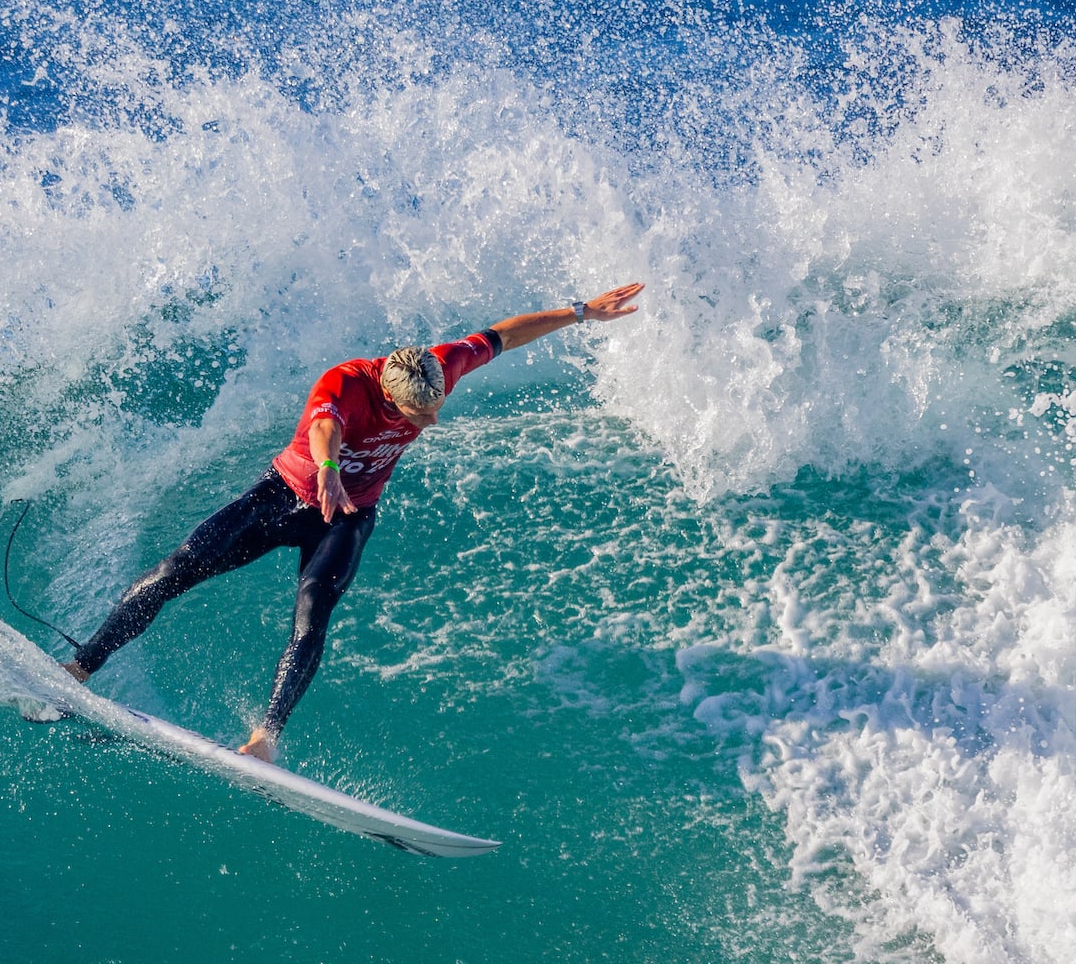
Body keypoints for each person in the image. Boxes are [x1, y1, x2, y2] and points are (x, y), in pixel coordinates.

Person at [62, 283, 644, 761]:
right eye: (422, 414)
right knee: (177, 569)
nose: (433, 420)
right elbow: (324, 427)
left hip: (347, 515)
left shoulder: (440, 365)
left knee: (312, 616)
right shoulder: (345, 383)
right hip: (281, 498)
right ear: (389, 396)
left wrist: (581, 313)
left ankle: (266, 738)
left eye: (436, 406)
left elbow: (502, 335)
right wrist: (329, 468)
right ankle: (82, 667)